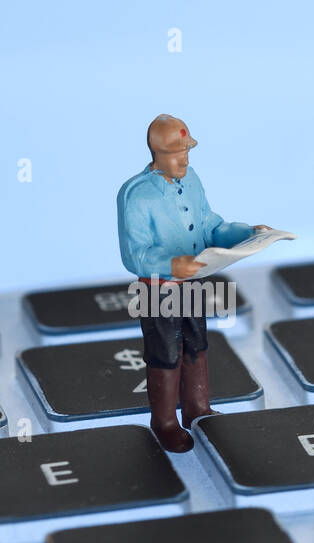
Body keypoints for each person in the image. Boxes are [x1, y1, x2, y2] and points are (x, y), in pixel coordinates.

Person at [117, 114, 269, 452]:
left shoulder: (192, 179)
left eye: (186, 151)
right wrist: (172, 264)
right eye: (175, 152)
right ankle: (165, 422)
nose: (183, 159)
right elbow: (135, 254)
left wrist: (246, 233)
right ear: (156, 152)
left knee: (196, 345)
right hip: (157, 289)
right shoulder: (136, 195)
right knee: (165, 353)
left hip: (194, 282)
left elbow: (209, 224)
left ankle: (197, 410)